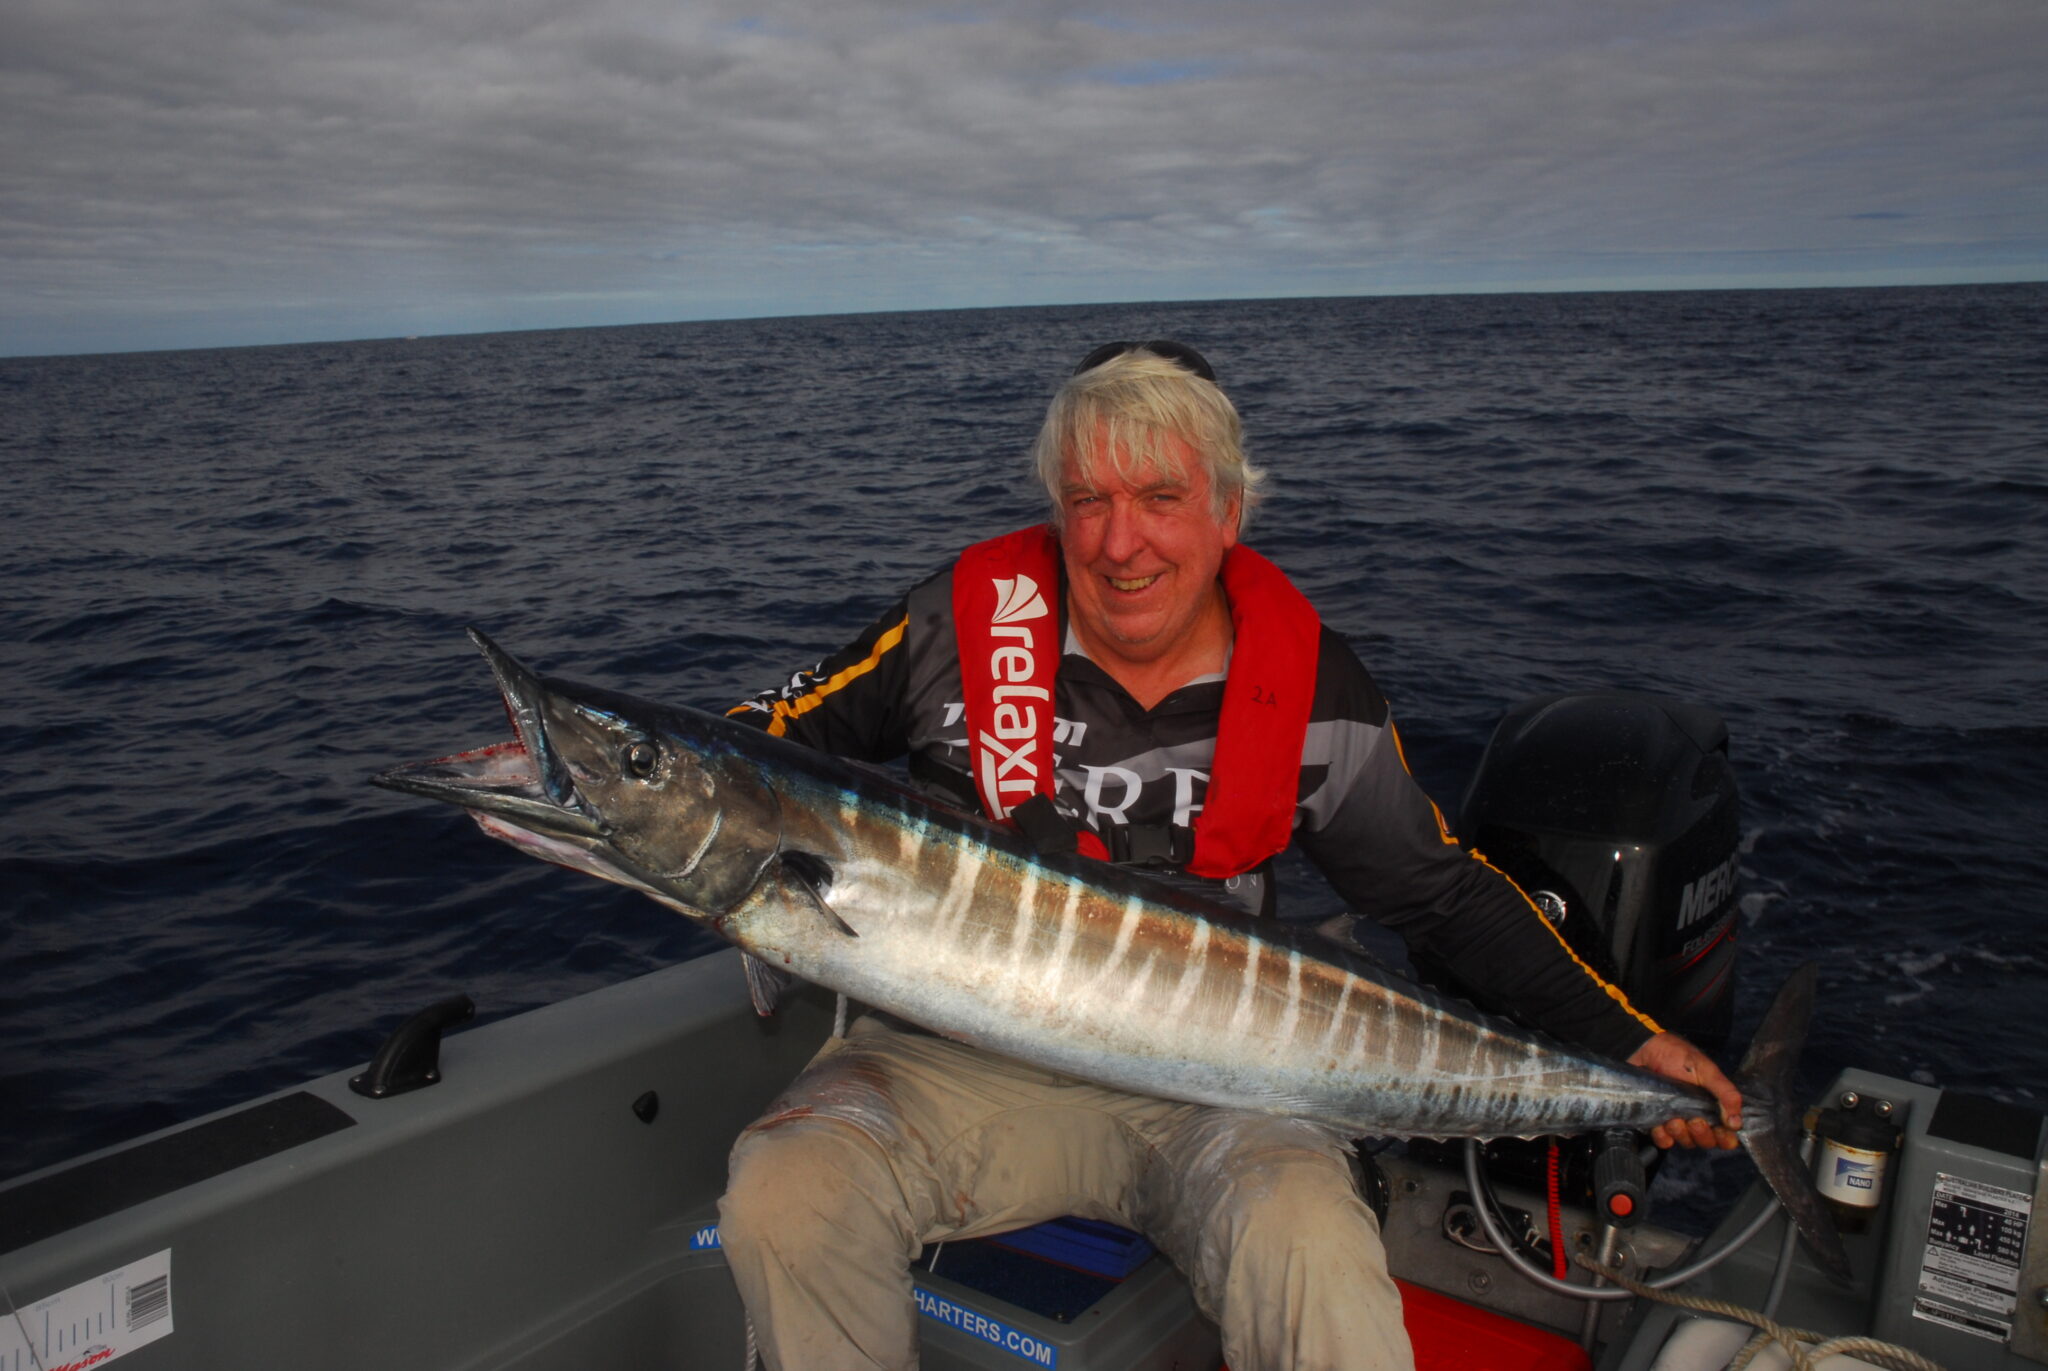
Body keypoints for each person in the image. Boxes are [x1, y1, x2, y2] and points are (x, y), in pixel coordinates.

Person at [716, 340, 1740, 1371]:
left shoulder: (1311, 689)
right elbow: (758, 746)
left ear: (1226, 511)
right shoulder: (951, 623)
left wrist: (1631, 1043)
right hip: (947, 1062)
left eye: (1159, 496)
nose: (1120, 545)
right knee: (785, 1191)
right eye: (1087, 500)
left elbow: (1438, 896)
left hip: (1221, 1088)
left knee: (1309, 1248)